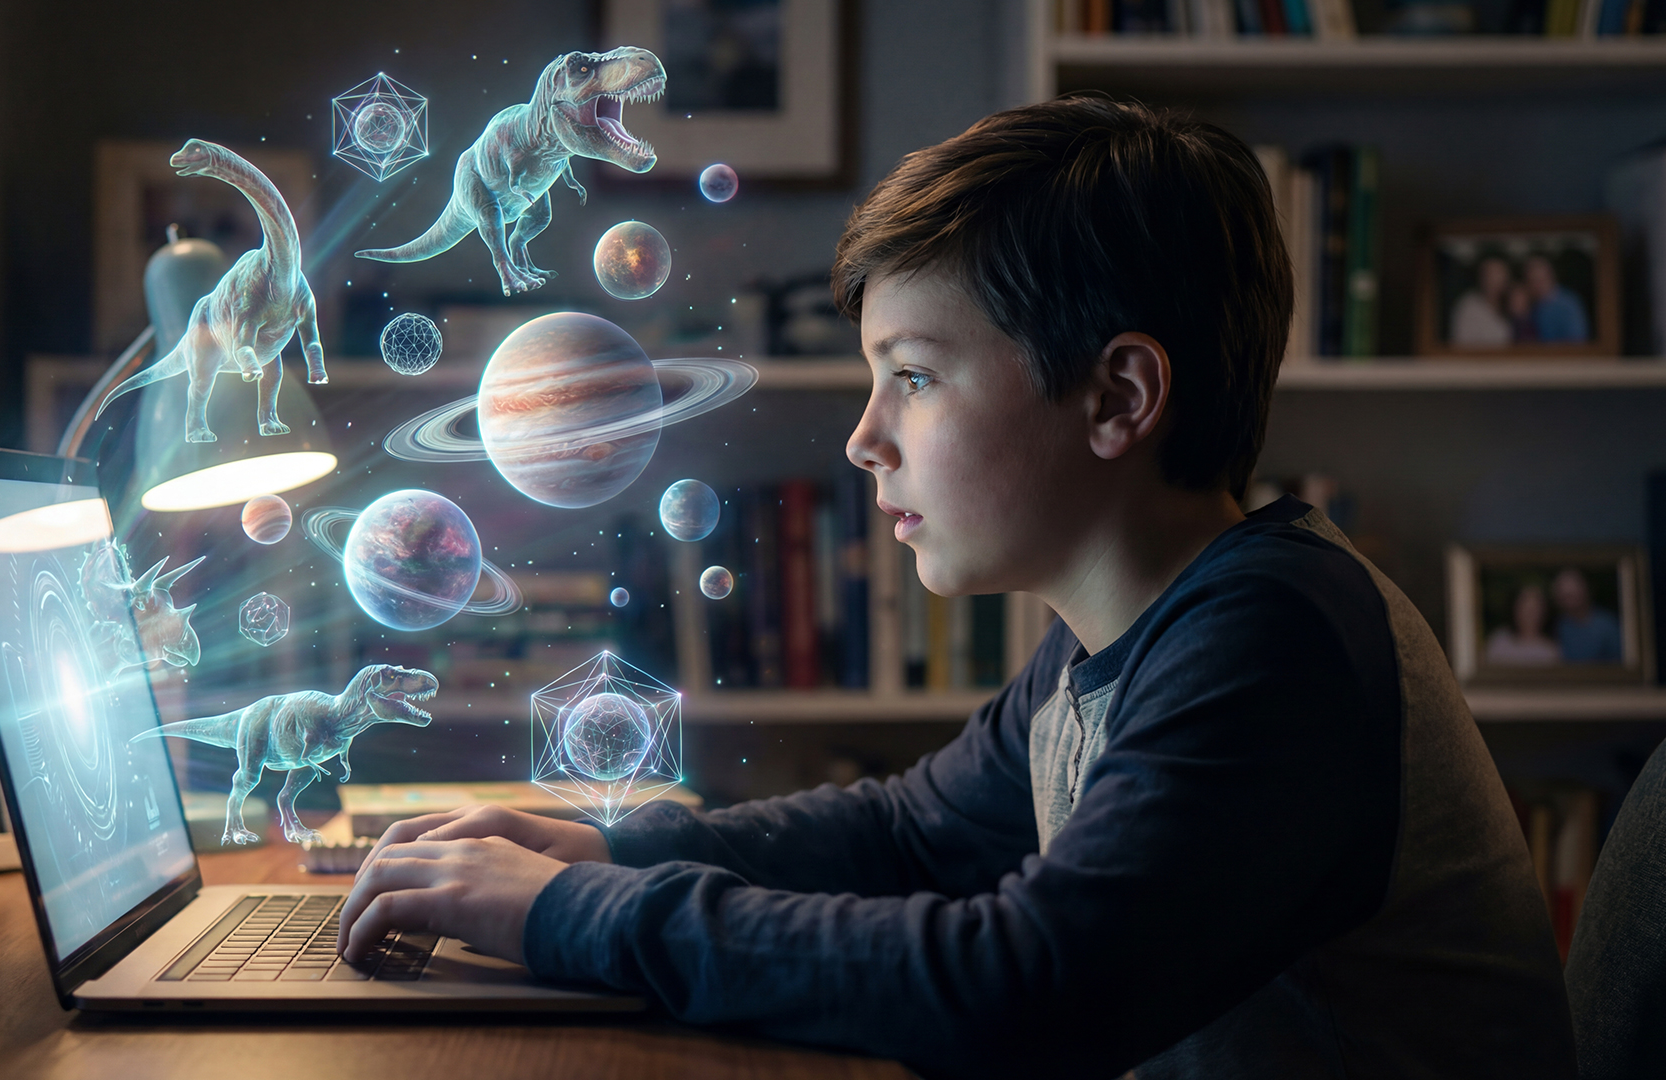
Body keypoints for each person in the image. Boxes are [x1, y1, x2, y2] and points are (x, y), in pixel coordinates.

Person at [334, 98, 1573, 1077]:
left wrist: (579, 918)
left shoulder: (1273, 637)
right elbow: (911, 836)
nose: (866, 438)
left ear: (1120, 398)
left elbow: (1028, 984)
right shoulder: (1129, 629)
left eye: (914, 376)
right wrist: (605, 846)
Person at [1552, 567, 1622, 663]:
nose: (1568, 598)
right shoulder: (1559, 625)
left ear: (1585, 589)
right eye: (1565, 596)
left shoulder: (1607, 625)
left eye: (1572, 594)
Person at [1487, 582, 1563, 667]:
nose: (1529, 616)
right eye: (1525, 609)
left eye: (1534, 610)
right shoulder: (1498, 641)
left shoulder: (1549, 650)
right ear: (1515, 609)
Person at [1524, 254, 1589, 343]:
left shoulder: (1568, 303)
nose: (1537, 286)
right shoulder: (1532, 303)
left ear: (1551, 277)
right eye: (1533, 281)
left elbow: (1577, 339)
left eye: (1541, 280)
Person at [1450, 255, 1513, 346]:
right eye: (1489, 273)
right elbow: (1459, 346)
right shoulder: (1468, 306)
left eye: (1498, 273)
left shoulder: (1513, 302)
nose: (1493, 279)